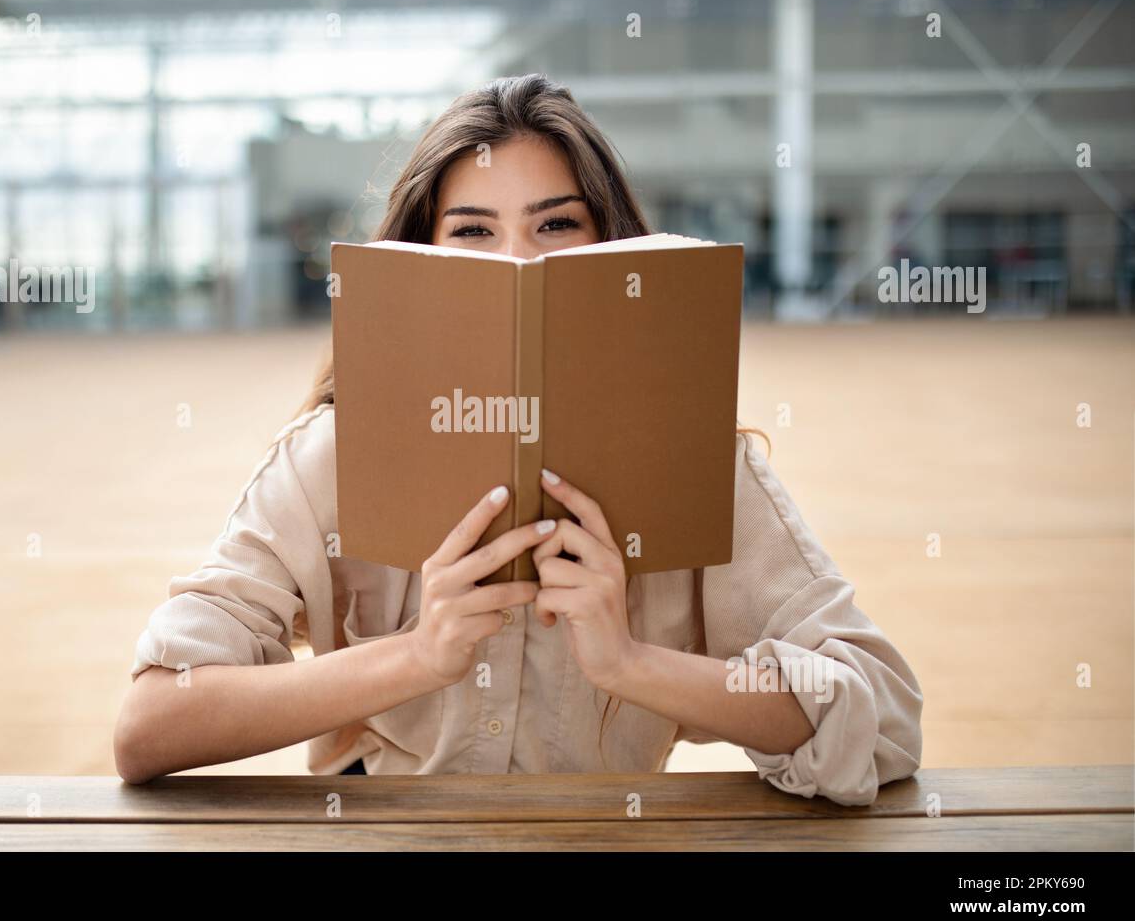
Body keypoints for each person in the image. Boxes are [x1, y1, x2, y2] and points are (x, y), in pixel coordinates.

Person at [113, 73, 923, 806]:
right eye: (472, 230)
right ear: (420, 255)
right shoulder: (331, 453)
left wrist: (630, 663)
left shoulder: (697, 461)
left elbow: (881, 717)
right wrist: (416, 655)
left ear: (612, 246)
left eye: (556, 224)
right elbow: (149, 724)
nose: (518, 261)